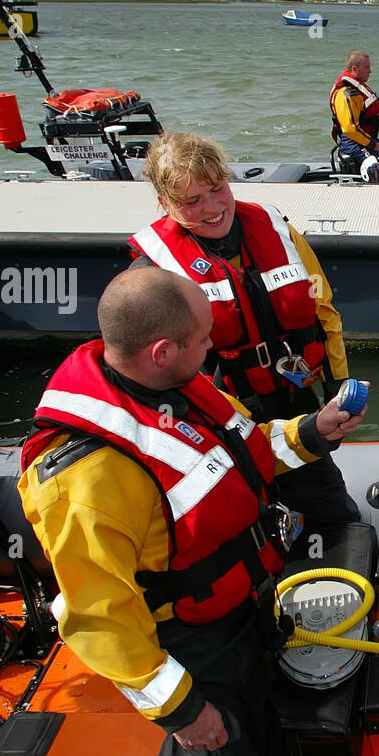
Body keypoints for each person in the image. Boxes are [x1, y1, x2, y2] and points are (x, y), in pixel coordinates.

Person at [17, 268, 367, 756]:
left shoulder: (178, 386)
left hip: (240, 605)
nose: (214, 348)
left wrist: (313, 429)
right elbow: (99, 614)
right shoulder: (87, 476)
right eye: (204, 339)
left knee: (214, 739)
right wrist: (181, 710)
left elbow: (247, 448)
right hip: (194, 638)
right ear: (162, 350)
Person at [128, 132, 361, 531]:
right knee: (244, 521)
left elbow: (324, 311)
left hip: (295, 392)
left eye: (218, 189)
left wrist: (338, 384)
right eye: (192, 201)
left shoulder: (275, 229)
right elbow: (155, 374)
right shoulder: (154, 272)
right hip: (224, 416)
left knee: (333, 516)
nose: (213, 207)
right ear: (165, 204)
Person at [330, 50, 379, 183]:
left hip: (366, 138)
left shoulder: (357, 90)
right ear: (354, 69)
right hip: (354, 142)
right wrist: (374, 145)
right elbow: (350, 129)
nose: (370, 71)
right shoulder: (346, 94)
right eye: (367, 67)